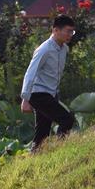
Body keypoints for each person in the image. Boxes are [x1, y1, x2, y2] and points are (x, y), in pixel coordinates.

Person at [20, 15, 76, 150]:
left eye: (72, 32)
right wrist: (25, 99)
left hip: (50, 94)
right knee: (66, 120)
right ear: (55, 30)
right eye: (68, 31)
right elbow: (30, 73)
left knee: (42, 133)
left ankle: (35, 156)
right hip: (38, 94)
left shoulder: (64, 49)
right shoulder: (44, 49)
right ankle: (59, 149)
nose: (70, 35)